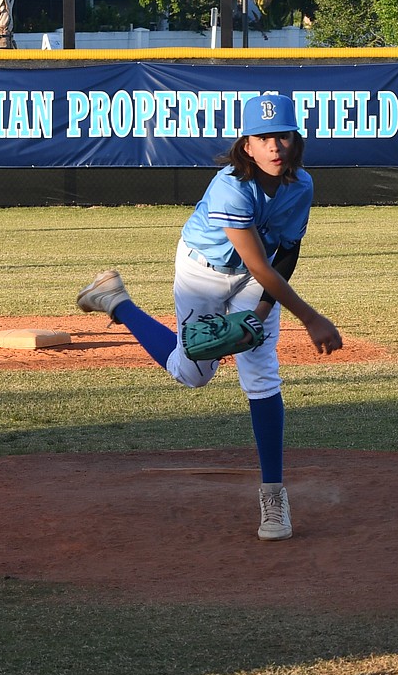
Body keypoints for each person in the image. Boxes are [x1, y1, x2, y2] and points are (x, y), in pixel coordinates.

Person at [76, 92, 344, 541]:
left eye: (283, 135)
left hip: (258, 280)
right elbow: (258, 262)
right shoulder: (230, 188)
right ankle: (118, 303)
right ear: (247, 146)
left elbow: (287, 253)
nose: (275, 146)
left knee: (261, 374)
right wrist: (310, 317)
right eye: (263, 137)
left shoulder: (302, 186)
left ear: (296, 141)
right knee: (193, 372)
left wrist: (259, 313)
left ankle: (274, 497)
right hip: (203, 272)